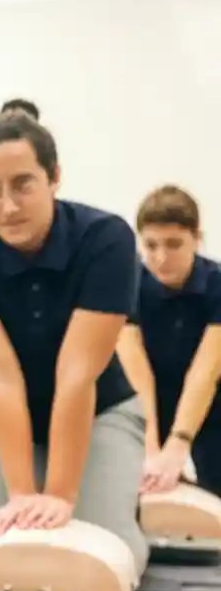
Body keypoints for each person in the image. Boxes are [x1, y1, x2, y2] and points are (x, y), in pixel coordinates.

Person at [0, 101, 149, 574]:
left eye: (22, 185)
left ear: (54, 177)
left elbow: (77, 374)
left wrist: (58, 496)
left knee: (102, 556)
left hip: (100, 409)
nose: (7, 206)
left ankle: (126, 521)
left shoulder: (107, 239)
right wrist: (22, 495)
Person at [117, 185, 221, 495]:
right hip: (150, 400)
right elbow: (137, 373)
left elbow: (207, 369)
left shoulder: (217, 285)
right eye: (151, 245)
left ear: (197, 239)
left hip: (213, 404)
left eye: (174, 244)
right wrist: (149, 449)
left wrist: (179, 443)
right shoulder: (126, 285)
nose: (161, 257)